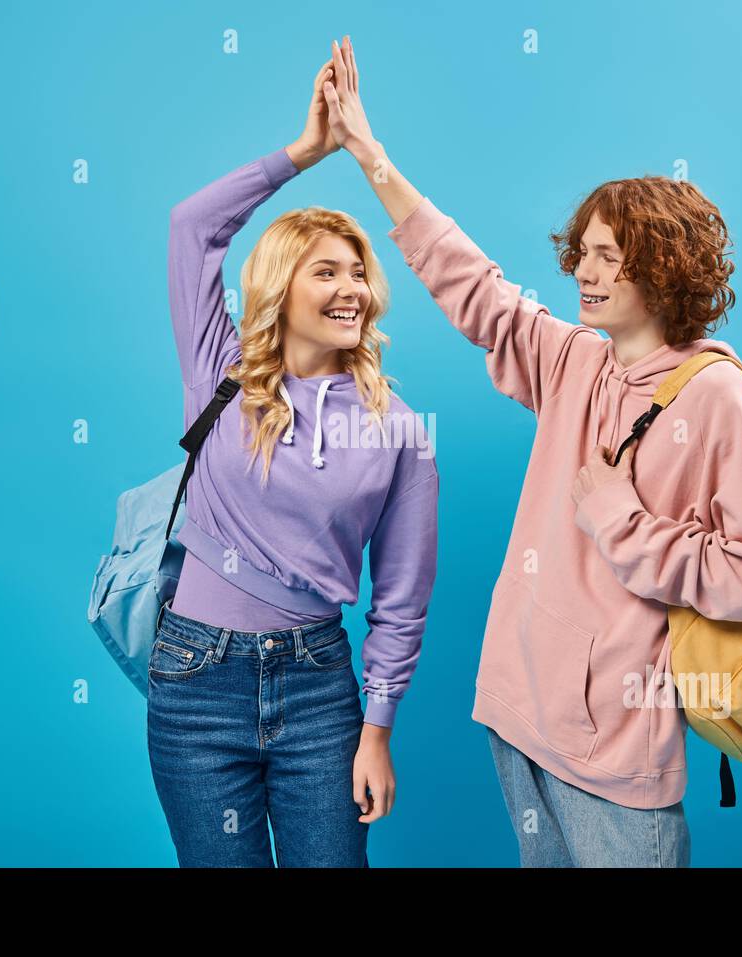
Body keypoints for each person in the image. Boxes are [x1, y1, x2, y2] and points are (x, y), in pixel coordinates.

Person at [321, 35, 742, 867]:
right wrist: (369, 155)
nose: (586, 269)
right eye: (585, 250)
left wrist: (624, 523)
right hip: (518, 716)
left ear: (667, 267)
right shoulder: (577, 357)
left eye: (613, 255)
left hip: (615, 753)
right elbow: (478, 290)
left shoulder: (717, 397)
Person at [148, 58, 439, 867]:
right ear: (282, 285)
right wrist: (305, 152)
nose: (352, 289)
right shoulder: (219, 370)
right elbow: (190, 226)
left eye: (359, 273)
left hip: (319, 691)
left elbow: (403, 600)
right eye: (327, 270)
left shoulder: (401, 432)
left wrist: (376, 728)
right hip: (194, 680)